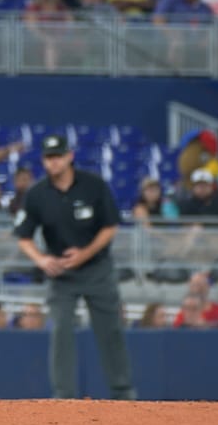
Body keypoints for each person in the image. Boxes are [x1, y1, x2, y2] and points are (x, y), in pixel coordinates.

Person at [13, 134, 136, 400]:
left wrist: (85, 254)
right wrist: (42, 260)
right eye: (48, 157)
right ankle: (64, 396)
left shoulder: (93, 186)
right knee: (60, 331)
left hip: (97, 268)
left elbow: (110, 226)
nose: (53, 162)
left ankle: (123, 393)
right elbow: (23, 237)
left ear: (69, 156)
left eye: (58, 156)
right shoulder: (37, 194)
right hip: (61, 273)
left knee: (111, 329)